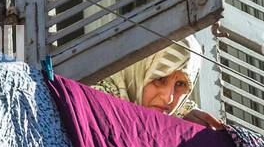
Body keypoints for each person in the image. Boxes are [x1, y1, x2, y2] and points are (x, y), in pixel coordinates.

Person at [93, 37, 223, 128]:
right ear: (137, 69)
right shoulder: (94, 105)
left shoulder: (180, 119)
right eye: (160, 79)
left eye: (180, 84)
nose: (169, 98)